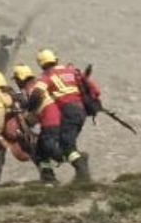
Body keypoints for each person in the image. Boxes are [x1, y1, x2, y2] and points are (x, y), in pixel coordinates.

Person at [34, 48, 95, 183]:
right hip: (81, 111)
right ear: (55, 59)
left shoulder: (48, 76)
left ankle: (82, 172)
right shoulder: (71, 72)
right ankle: (79, 171)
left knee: (67, 146)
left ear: (41, 64)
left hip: (68, 111)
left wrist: (29, 108)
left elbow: (37, 93)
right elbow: (94, 88)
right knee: (67, 143)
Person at [0, 69, 31, 187]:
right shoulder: (10, 91)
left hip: (6, 128)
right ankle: (45, 173)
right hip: (18, 126)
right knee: (27, 148)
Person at [14, 63, 61, 185]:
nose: (16, 83)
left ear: (21, 78)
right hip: (52, 120)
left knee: (44, 148)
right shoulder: (37, 85)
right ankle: (48, 177)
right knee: (40, 151)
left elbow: (33, 112)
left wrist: (27, 119)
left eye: (17, 80)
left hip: (48, 122)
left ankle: (72, 158)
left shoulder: (31, 90)